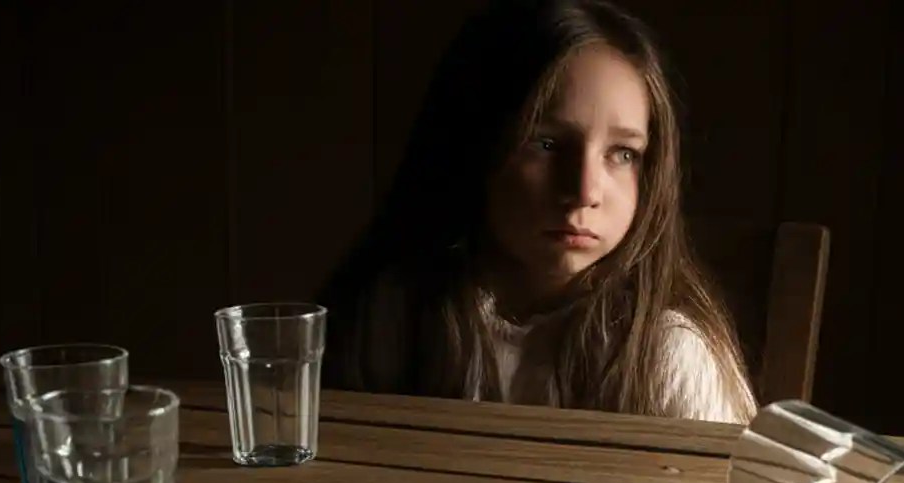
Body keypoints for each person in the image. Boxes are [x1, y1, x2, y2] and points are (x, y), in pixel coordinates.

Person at [321, 0, 758, 424]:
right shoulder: (398, 314)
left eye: (622, 153)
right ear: (473, 145)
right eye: (546, 144)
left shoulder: (667, 353)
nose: (584, 191)